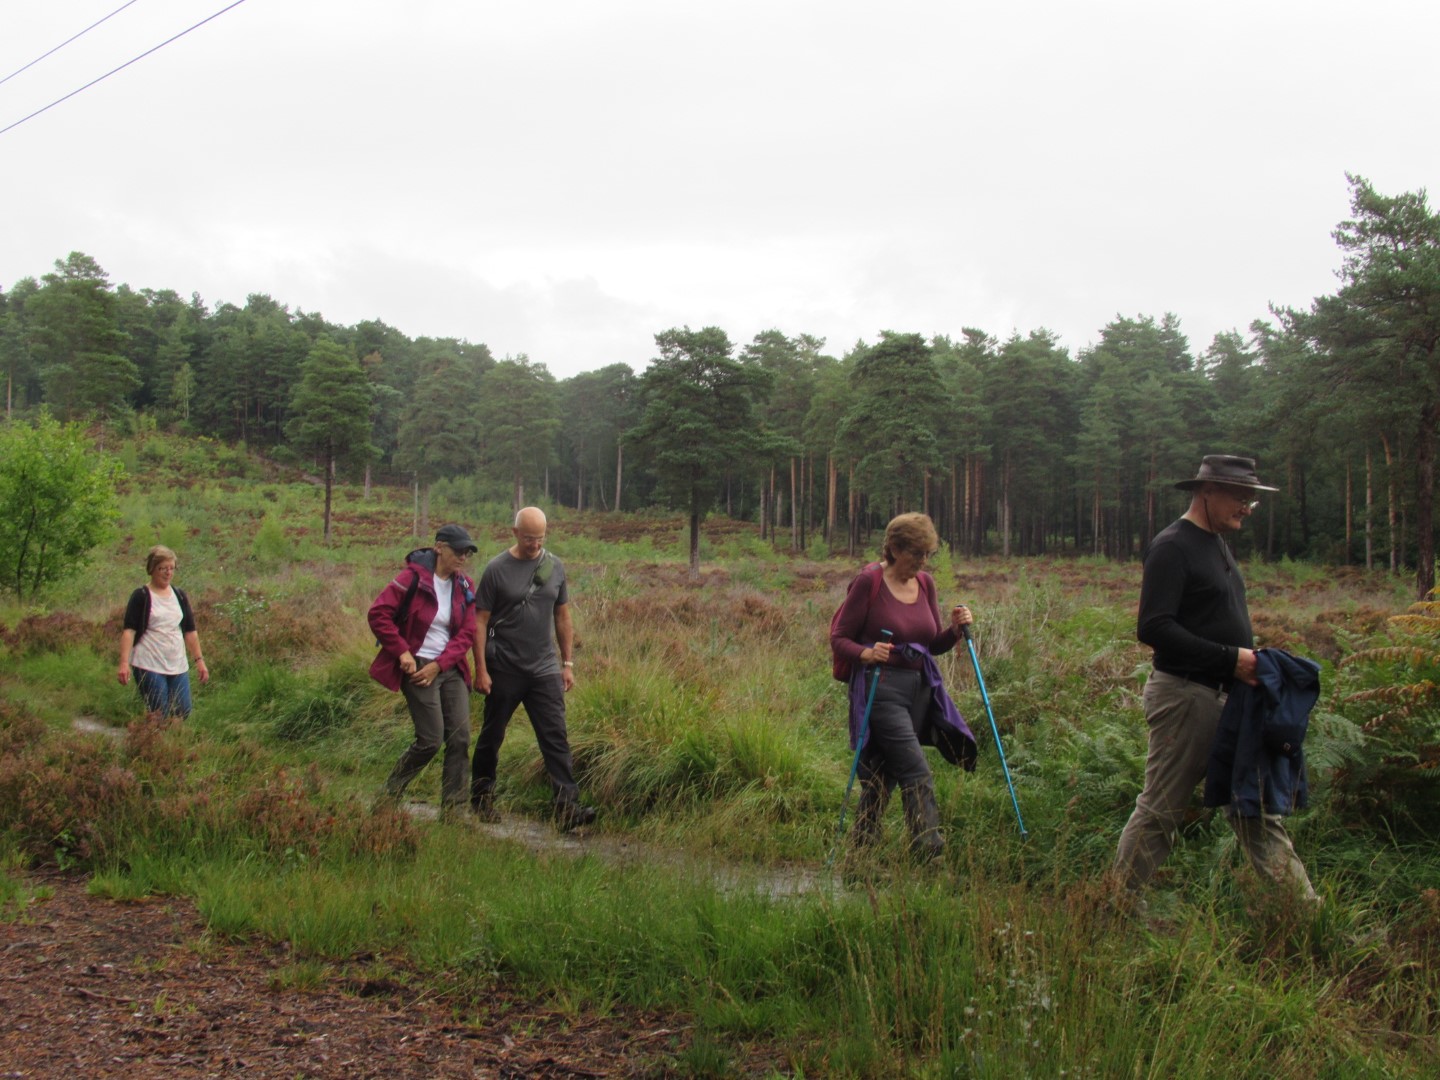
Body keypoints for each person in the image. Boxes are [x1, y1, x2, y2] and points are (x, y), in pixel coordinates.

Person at [1114, 455, 1319, 904]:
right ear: (1207, 492)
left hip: (1229, 698)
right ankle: (1116, 905)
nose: (1247, 507)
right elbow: (1154, 627)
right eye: (1240, 497)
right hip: (1186, 696)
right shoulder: (1173, 546)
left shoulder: (1217, 543)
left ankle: (1306, 916)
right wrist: (1232, 659)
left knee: (1256, 809)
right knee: (1161, 809)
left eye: (1252, 500)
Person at [830, 512, 977, 862]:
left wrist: (956, 630)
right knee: (916, 771)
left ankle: (859, 858)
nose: (923, 561)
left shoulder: (925, 583)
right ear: (894, 549)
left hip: (919, 690)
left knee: (883, 776)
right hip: (879, 690)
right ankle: (930, 856)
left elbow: (932, 643)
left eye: (927, 554)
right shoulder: (869, 582)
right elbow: (838, 638)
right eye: (916, 554)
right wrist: (866, 653)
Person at [469, 506, 596, 830]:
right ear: (514, 533)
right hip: (505, 667)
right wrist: (481, 669)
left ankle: (567, 809)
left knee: (556, 737)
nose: (534, 544)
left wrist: (567, 664)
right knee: (492, 736)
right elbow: (479, 621)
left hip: (544, 669)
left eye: (539, 538)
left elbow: (562, 616)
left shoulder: (554, 567)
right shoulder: (496, 569)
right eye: (528, 539)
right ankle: (481, 800)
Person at [368, 523, 479, 815]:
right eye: (458, 551)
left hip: (449, 668)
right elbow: (379, 614)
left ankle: (454, 812)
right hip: (416, 667)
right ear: (439, 547)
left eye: (467, 553)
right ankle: (388, 797)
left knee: (460, 737)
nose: (463, 558)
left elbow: (467, 633)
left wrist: (439, 665)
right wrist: (402, 651)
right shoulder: (411, 578)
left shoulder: (465, 586)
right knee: (430, 740)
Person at [118, 545, 210, 720]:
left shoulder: (179, 595)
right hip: (148, 663)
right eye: (163, 568)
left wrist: (199, 661)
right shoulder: (141, 596)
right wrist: (124, 663)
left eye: (171, 568)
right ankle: (152, 744)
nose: (168, 573)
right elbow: (129, 631)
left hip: (177, 663)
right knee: (159, 712)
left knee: (183, 710)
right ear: (152, 569)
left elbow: (190, 631)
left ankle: (172, 744)